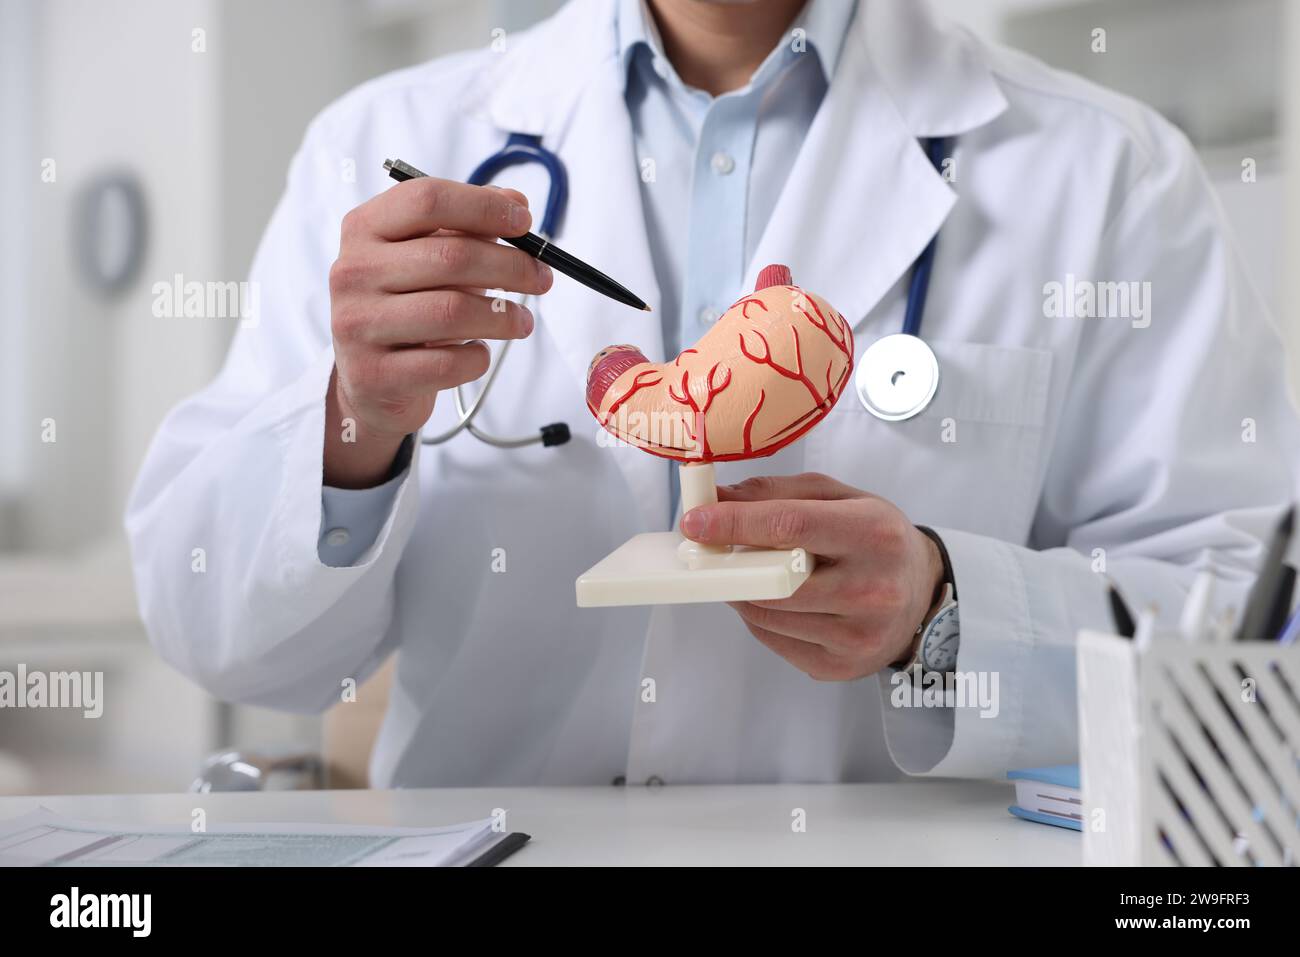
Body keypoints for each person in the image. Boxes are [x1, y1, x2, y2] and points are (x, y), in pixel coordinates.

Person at [126, 0, 1299, 786]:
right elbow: (224, 641)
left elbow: (1252, 651)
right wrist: (354, 422)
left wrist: (948, 616)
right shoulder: (387, 140)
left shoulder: (1104, 170)